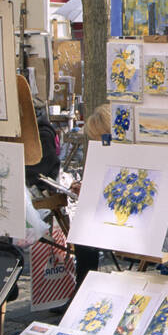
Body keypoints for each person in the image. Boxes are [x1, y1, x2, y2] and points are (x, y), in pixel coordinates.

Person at [69, 104, 113, 288]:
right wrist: (85, 187)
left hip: (120, 215)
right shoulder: (100, 150)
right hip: (102, 212)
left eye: (101, 137)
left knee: (86, 237)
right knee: (81, 234)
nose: (99, 142)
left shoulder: (123, 150)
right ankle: (82, 289)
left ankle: (84, 289)